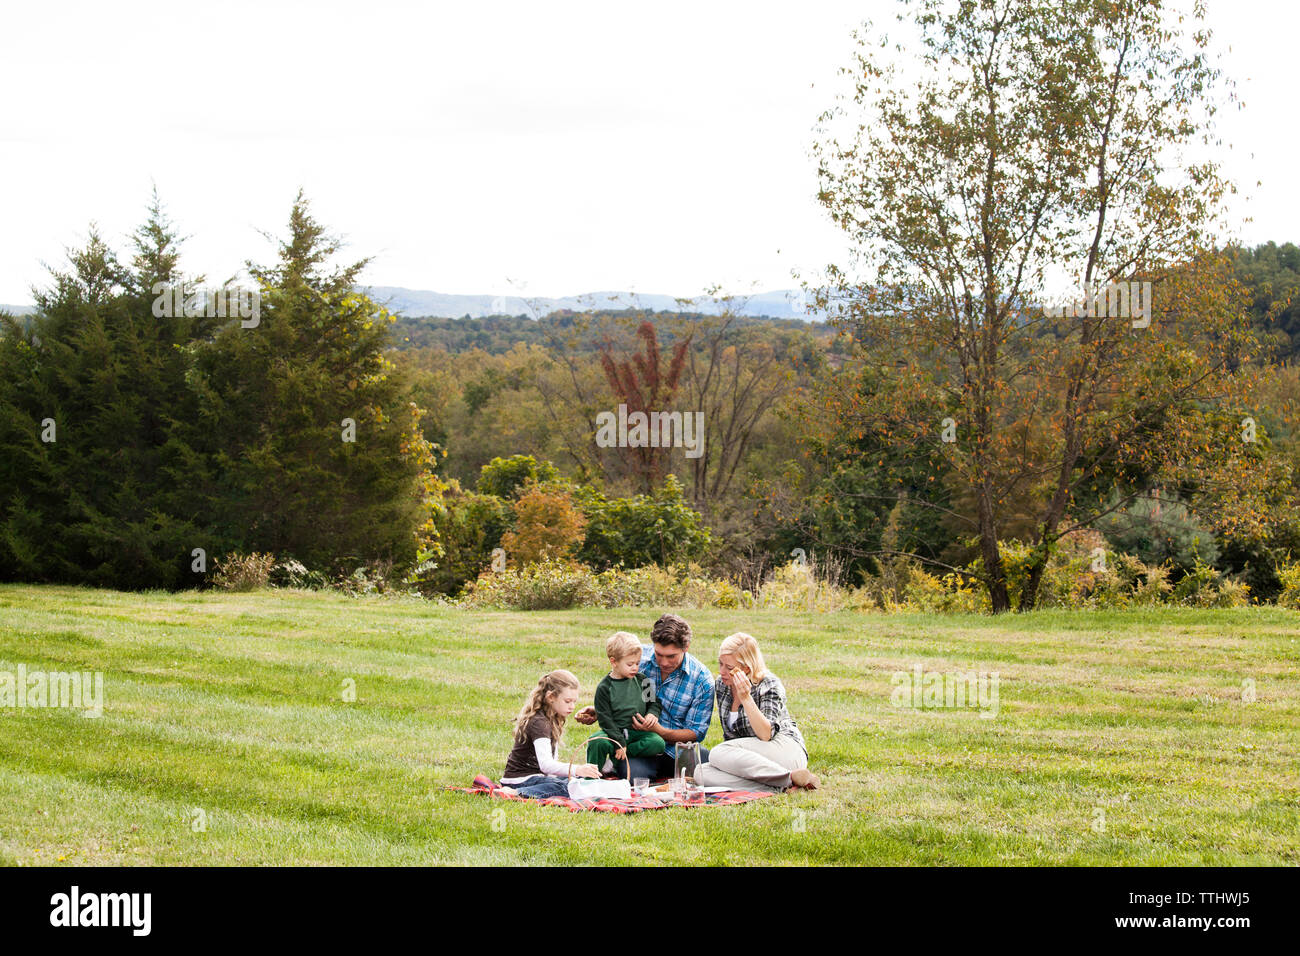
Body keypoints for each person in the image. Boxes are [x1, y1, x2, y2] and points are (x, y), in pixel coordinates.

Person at [574, 613, 713, 780]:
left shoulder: (702, 680)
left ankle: (643, 764)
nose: (663, 662)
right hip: (635, 742)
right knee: (633, 776)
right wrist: (600, 710)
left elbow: (696, 733)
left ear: (686, 647)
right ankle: (619, 756)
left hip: (673, 748)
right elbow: (619, 690)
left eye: (671, 656)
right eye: (659, 654)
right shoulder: (638, 659)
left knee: (706, 765)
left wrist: (660, 731)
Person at [692, 632, 819, 792]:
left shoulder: (768, 684)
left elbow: (766, 734)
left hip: (783, 748)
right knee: (700, 773)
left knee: (718, 752)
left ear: (746, 668)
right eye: (720, 664)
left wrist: (746, 698)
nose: (722, 671)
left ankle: (786, 778)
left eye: (729, 667)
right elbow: (732, 738)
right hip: (750, 759)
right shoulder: (722, 685)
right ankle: (783, 786)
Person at [498, 669, 600, 798]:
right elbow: (546, 765)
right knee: (567, 787)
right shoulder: (539, 722)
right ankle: (515, 793)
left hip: (538, 777)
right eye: (567, 701)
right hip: (520, 780)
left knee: (577, 783)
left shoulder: (552, 717)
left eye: (574, 701)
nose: (572, 706)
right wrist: (577, 769)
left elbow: (551, 762)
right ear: (551, 697)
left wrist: (570, 777)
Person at [586, 632, 666, 774]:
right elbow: (605, 719)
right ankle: (591, 775)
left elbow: (654, 703)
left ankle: (616, 759)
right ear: (614, 661)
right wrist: (618, 741)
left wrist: (652, 714)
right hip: (613, 732)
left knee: (657, 743)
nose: (635, 667)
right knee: (596, 741)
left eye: (637, 663)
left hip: (637, 733)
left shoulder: (643, 680)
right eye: (630, 664)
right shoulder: (604, 687)